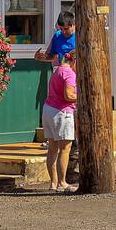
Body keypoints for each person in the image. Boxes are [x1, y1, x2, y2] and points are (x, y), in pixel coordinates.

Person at [36, 12, 79, 182]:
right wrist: (41, 58)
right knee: (61, 140)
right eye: (61, 29)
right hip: (62, 75)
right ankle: (61, 179)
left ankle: (72, 169)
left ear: (73, 25)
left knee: (71, 134)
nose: (64, 32)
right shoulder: (58, 36)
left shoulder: (80, 36)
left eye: (67, 29)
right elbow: (51, 56)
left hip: (76, 76)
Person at [42, 49, 77, 192]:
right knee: (64, 148)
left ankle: (53, 183)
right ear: (75, 60)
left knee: (52, 148)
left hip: (48, 109)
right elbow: (69, 95)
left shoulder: (58, 70)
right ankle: (62, 183)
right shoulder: (69, 73)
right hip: (62, 112)